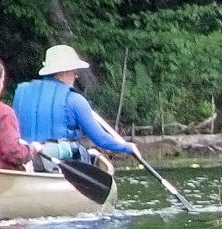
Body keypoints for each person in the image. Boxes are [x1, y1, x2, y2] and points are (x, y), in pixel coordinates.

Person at [12, 44, 140, 171]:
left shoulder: (22, 92)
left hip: (23, 160)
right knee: (79, 151)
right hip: (53, 164)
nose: (76, 76)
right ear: (64, 72)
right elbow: (100, 139)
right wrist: (127, 147)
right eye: (74, 72)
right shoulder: (74, 100)